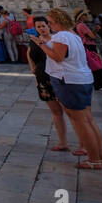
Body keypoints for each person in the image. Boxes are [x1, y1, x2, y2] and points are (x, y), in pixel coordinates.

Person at [36, 8, 102, 169]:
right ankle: (101, 157)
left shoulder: (61, 36)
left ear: (57, 22)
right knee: (88, 120)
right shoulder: (74, 35)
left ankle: (93, 160)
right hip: (83, 79)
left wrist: (40, 43)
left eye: (50, 22)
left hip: (69, 81)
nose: (49, 25)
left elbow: (58, 57)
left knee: (80, 121)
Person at [23, 15, 78, 155]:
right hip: (43, 78)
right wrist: (33, 69)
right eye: (38, 27)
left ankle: (83, 144)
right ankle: (63, 143)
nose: (41, 29)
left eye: (43, 26)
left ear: (49, 25)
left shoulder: (58, 39)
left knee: (71, 112)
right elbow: (29, 54)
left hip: (59, 78)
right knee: (56, 112)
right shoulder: (34, 41)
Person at [73, 10, 102, 90]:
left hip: (86, 46)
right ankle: (100, 84)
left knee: (95, 65)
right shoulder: (82, 25)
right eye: (85, 15)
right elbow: (92, 36)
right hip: (89, 46)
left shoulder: (78, 25)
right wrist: (96, 29)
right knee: (97, 65)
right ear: (81, 16)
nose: (87, 16)